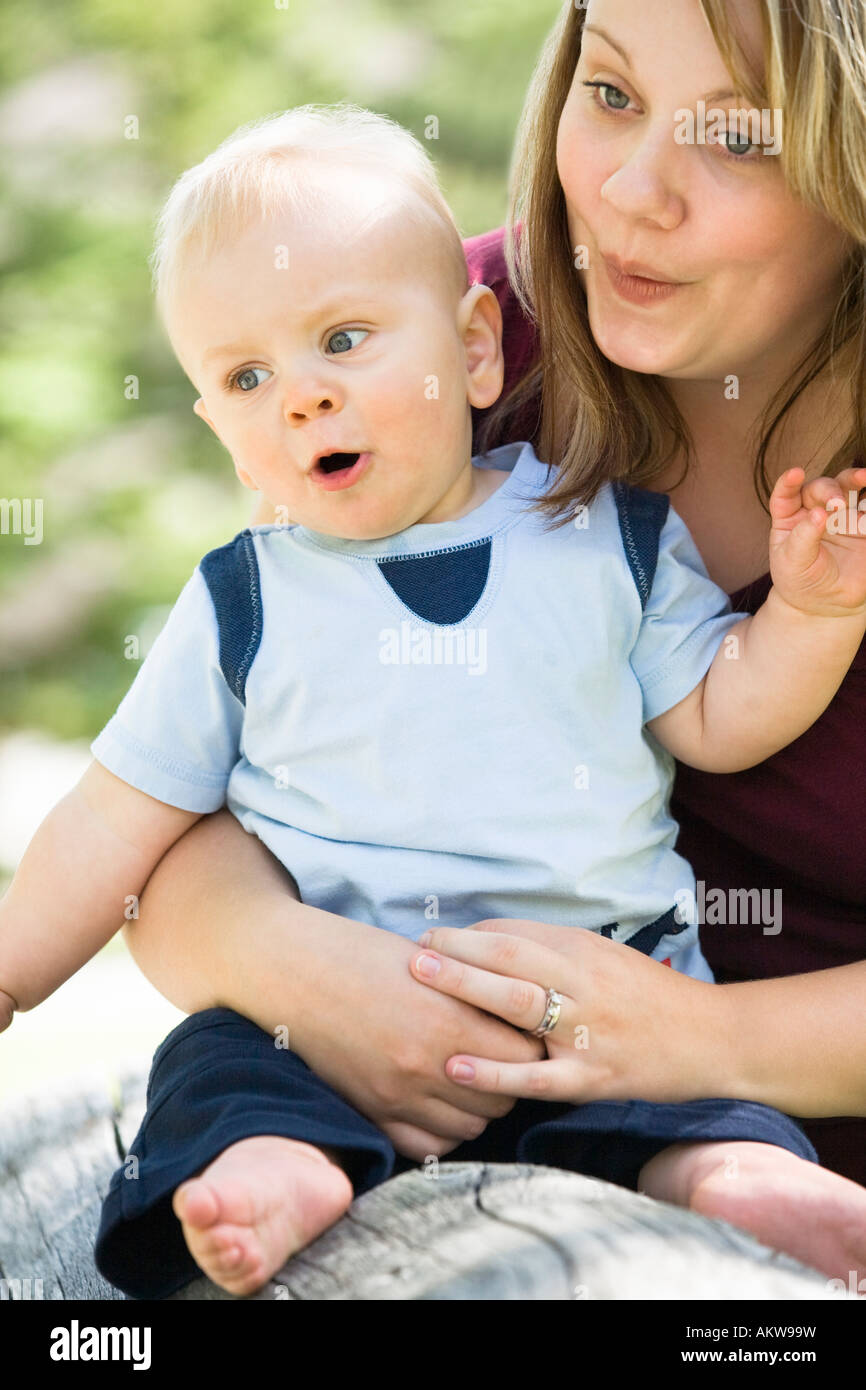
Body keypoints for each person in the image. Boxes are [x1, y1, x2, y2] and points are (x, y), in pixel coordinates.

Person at [2, 94, 866, 1300]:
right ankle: (277, 1168)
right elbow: (116, 820)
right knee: (219, 1071)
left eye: (343, 340)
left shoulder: (600, 535)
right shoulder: (246, 598)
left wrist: (813, 616)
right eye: (246, 376)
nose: (298, 395)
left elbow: (721, 716)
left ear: (473, 347)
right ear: (219, 431)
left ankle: (732, 1183)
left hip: (609, 999)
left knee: (701, 1121)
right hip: (330, 1027)